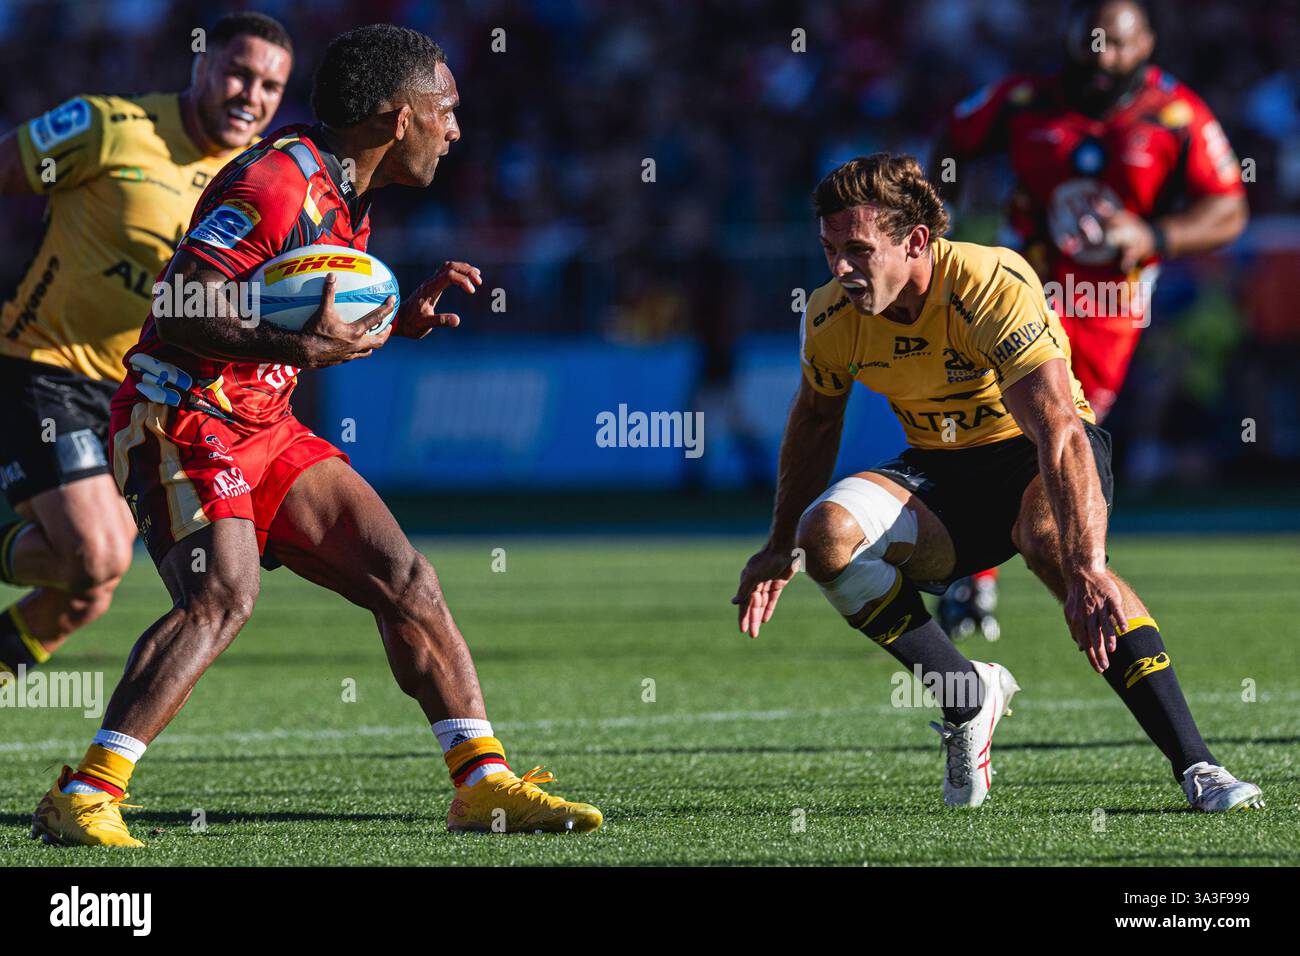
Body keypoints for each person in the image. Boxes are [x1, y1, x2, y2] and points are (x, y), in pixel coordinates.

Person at [30, 24, 602, 847]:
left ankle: (483, 785)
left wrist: (389, 323)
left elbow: (298, 312)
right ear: (397, 119)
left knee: (405, 577)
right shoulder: (275, 183)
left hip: (264, 422)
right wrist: (302, 349)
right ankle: (83, 795)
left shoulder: (347, 187)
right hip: (183, 414)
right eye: (445, 109)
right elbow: (181, 306)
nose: (455, 129)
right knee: (222, 596)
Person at [732, 153, 1262, 813]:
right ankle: (967, 696)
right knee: (825, 537)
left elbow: (1059, 429)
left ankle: (1200, 767)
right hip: (941, 470)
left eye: (859, 250)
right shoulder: (829, 315)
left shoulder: (988, 281)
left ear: (915, 240)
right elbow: (815, 421)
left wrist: (1088, 565)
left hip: (1036, 451)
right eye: (829, 249)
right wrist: (779, 542)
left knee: (1050, 545)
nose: (841, 268)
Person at [930, 0, 1249, 640]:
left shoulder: (1176, 116)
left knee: (1065, 437)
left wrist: (1154, 234)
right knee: (1007, 418)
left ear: (1147, 43)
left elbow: (1229, 209)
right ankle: (980, 576)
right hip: (1028, 286)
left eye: (1118, 43)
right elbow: (950, 148)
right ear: (1070, 39)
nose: (1103, 56)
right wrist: (941, 224)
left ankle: (1068, 569)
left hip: (1109, 305)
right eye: (1091, 41)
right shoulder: (1023, 102)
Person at [0, 12, 293, 675]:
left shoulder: (262, 179)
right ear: (201, 65)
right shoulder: (106, 127)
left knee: (84, 595)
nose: (251, 95)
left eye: (270, 86)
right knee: (96, 555)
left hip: (140, 399)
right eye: (237, 73)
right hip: (44, 365)